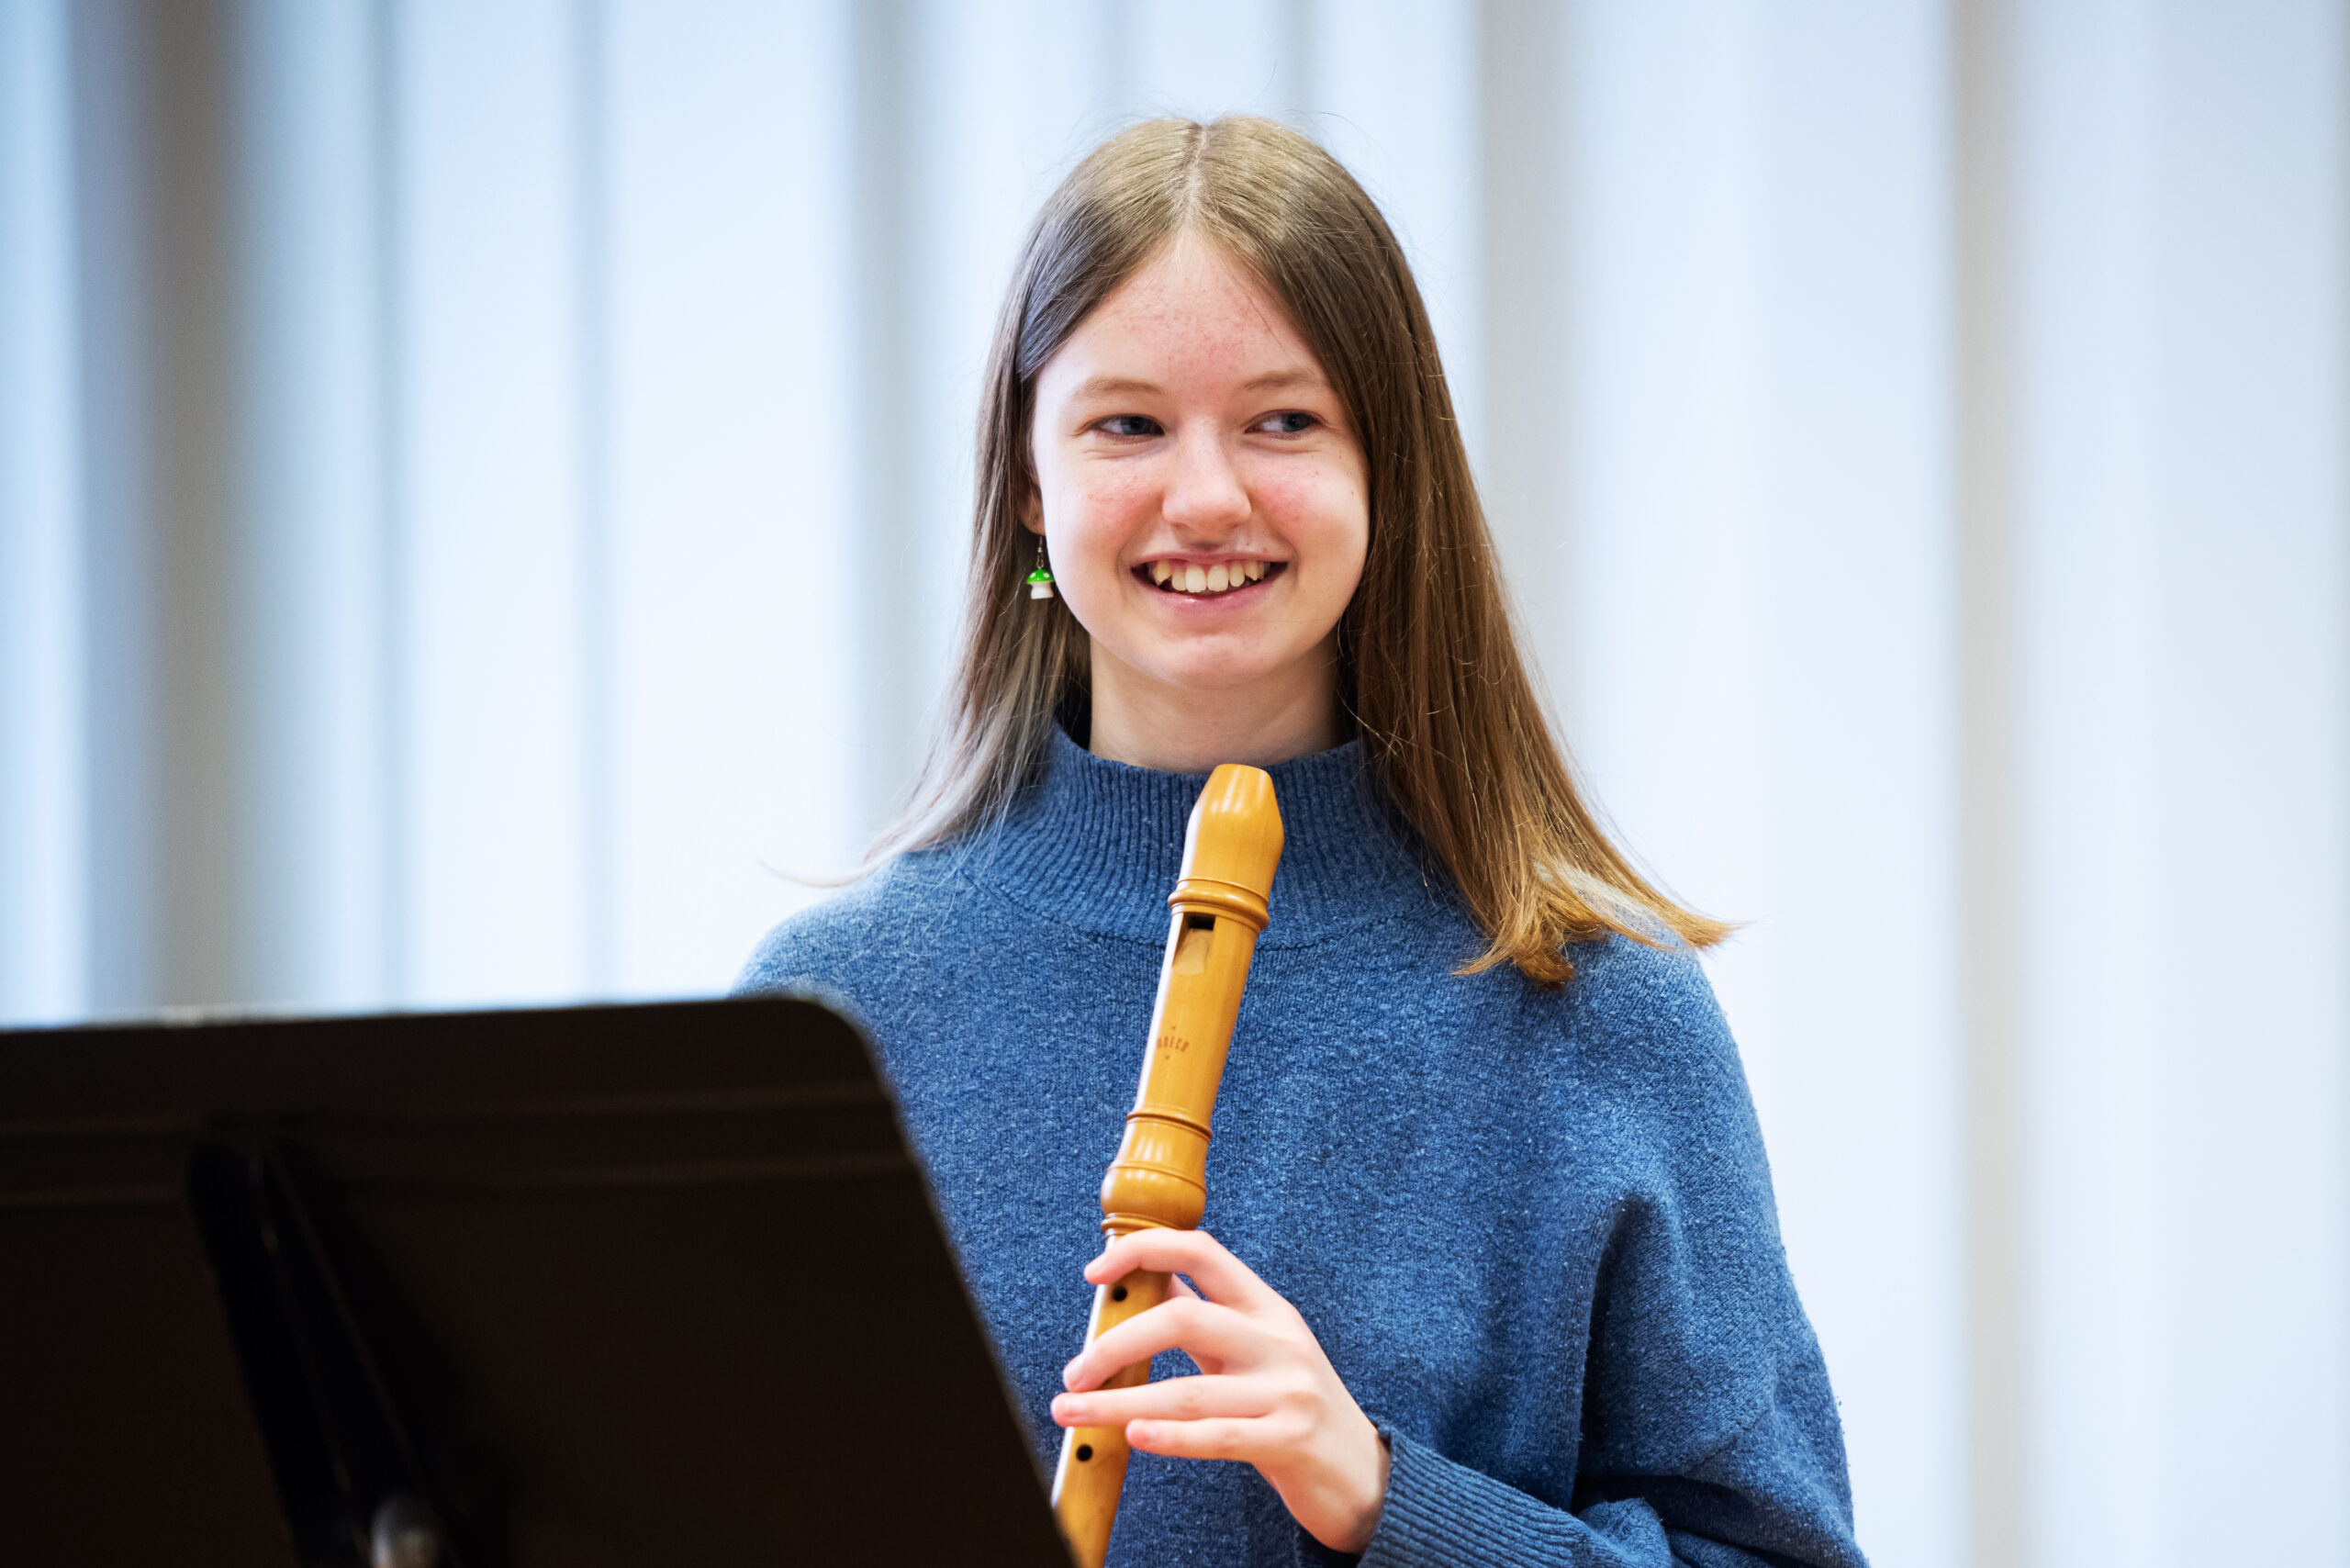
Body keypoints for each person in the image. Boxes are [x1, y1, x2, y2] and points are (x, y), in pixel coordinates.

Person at [737, 116, 1867, 1568]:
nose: (1208, 498)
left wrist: (1387, 1496)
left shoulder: (1601, 1009)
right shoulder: (830, 1015)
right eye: (1127, 425)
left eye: (1283, 422)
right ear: (1027, 481)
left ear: (1388, 469)